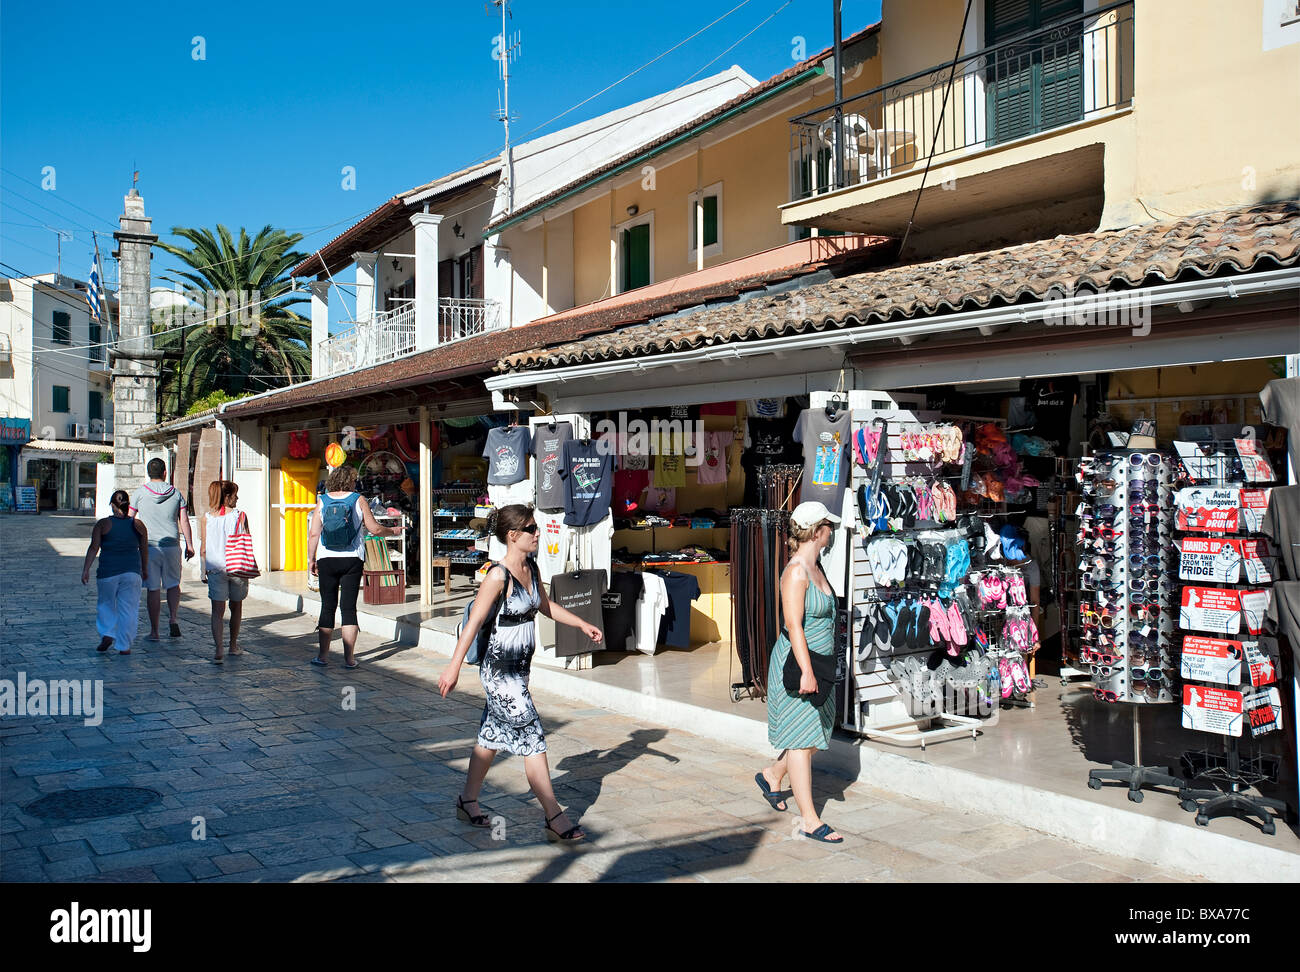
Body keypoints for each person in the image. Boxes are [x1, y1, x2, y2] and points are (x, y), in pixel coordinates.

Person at [437, 504, 603, 845]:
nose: (537, 533)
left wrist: (582, 623)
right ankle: (554, 816)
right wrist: (453, 666)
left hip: (519, 671)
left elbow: (545, 605)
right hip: (498, 673)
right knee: (533, 736)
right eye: (531, 528)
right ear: (513, 536)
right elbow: (474, 624)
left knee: (490, 737)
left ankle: (467, 801)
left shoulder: (531, 566)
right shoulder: (497, 576)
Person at [755, 500, 844, 843]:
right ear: (817, 531)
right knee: (801, 739)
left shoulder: (817, 567)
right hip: (798, 664)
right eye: (829, 526)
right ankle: (809, 819)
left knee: (816, 738)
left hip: (819, 662)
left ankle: (772, 773)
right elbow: (793, 626)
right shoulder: (796, 572)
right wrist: (807, 671)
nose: (832, 532)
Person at [307, 464, 401, 669]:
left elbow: (314, 533)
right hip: (352, 559)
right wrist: (392, 532)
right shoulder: (359, 499)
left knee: (327, 606)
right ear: (350, 481)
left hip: (327, 558)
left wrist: (311, 559)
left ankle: (322, 656)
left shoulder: (322, 501)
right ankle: (349, 659)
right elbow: (374, 529)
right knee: (348, 608)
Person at [131, 458, 194, 642]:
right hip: (172, 546)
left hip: (149, 547)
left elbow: (130, 519)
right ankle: (173, 618)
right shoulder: (175, 493)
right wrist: (189, 545)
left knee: (153, 588)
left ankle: (154, 631)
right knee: (173, 584)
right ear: (165, 473)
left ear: (149, 473)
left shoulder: (140, 494)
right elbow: (184, 521)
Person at [81, 489, 148, 655]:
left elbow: (93, 548)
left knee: (106, 604)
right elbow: (144, 550)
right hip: (132, 572)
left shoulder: (103, 524)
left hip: (108, 572)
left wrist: (86, 569)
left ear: (112, 504)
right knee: (129, 608)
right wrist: (145, 569)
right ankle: (124, 645)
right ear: (128, 505)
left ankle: (107, 633)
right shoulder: (138, 525)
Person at [198, 480, 249, 664]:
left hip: (215, 568)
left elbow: (203, 548)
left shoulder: (207, 518)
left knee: (216, 612)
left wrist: (203, 570)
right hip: (236, 567)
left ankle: (218, 649)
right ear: (227, 497)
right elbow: (246, 540)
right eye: (235, 495)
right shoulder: (240, 516)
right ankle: (233, 645)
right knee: (236, 607)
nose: (237, 498)